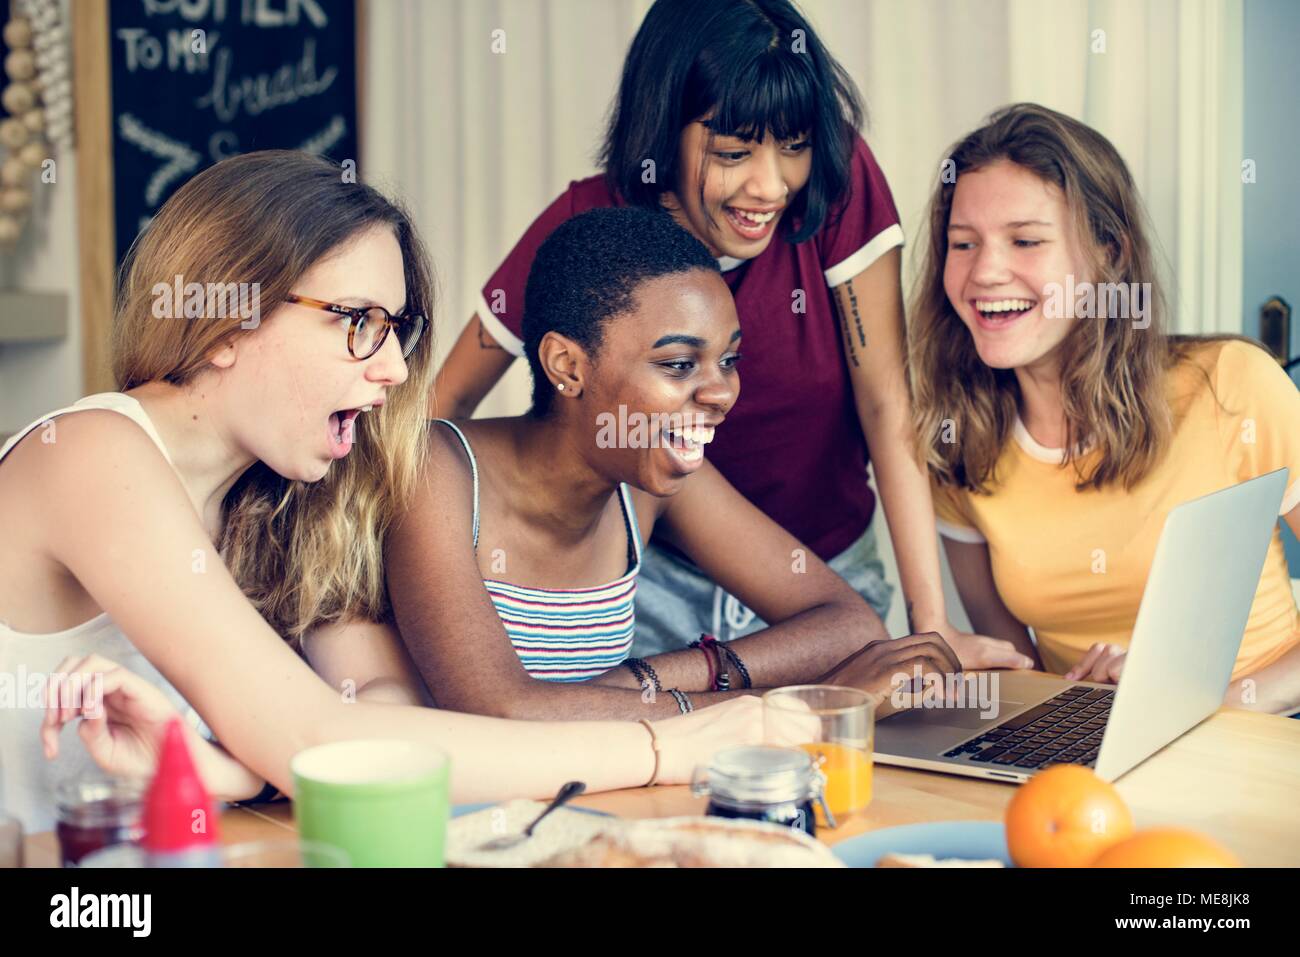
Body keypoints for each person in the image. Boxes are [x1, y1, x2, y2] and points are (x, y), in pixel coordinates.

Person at [1, 150, 779, 832]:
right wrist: (663, 745)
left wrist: (243, 765)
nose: (397, 371)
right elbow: (319, 736)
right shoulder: (95, 455)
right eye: (356, 322)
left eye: (394, 329)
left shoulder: (277, 495)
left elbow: (383, 708)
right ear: (229, 318)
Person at [431, 0, 1004, 667]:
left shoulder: (836, 182)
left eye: (793, 146)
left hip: (820, 575)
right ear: (664, 131)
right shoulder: (588, 226)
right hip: (655, 585)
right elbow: (439, 412)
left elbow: (885, 402)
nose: (771, 186)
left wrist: (928, 621)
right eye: (733, 153)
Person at [306, 208, 969, 720]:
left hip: (596, 798)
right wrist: (793, 709)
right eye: (679, 364)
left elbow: (848, 620)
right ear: (568, 365)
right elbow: (504, 711)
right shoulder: (436, 473)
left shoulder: (650, 481)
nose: (721, 392)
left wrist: (650, 678)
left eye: (728, 358)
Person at [908, 103, 1300, 712]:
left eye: (1026, 240)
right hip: (1094, 749)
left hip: (1265, 728)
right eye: (964, 243)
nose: (985, 271)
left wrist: (1205, 711)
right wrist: (1070, 705)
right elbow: (1021, 673)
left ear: (1109, 254)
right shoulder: (959, 438)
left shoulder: (1231, 385)